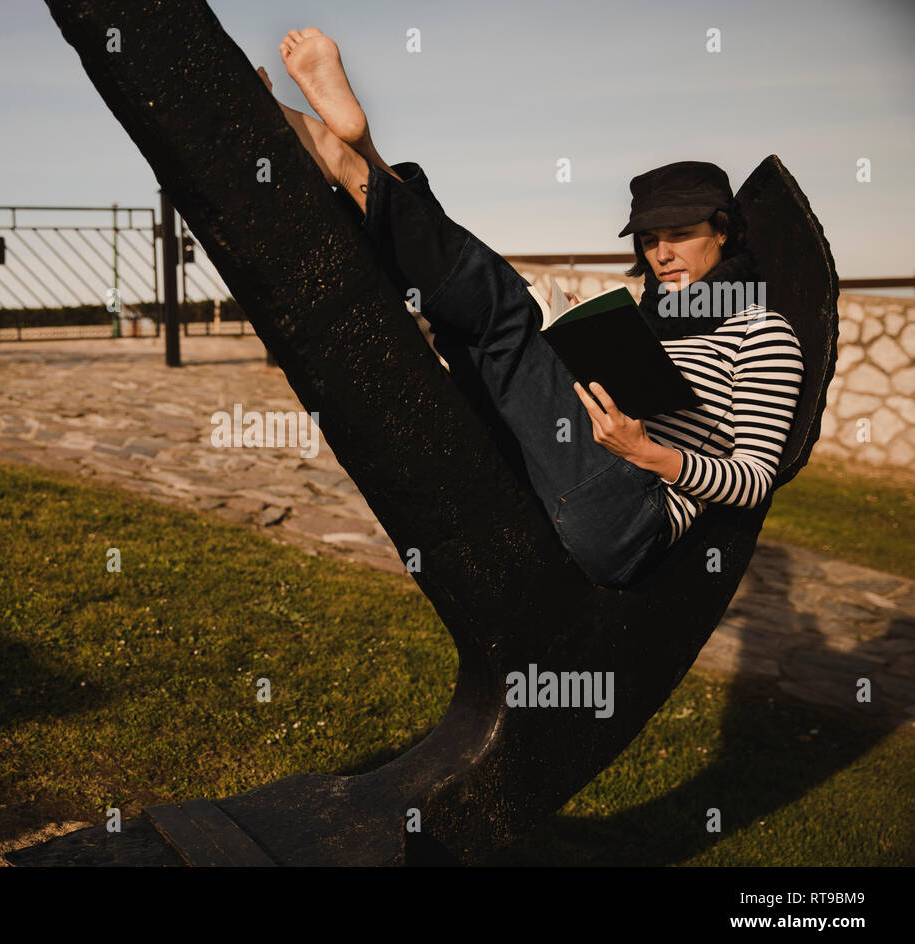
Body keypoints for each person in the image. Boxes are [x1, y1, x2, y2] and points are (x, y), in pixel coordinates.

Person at [261, 28, 805, 588]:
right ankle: (366, 160)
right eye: (648, 239)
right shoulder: (646, 319)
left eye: (680, 235)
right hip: (572, 472)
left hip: (632, 517)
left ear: (722, 231)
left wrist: (646, 452)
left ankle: (350, 162)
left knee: (506, 318)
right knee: (467, 335)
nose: (660, 254)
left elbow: (756, 479)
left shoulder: (761, 332)